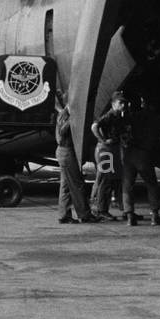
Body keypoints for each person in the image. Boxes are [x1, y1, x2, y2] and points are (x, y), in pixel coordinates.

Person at [94, 88, 160, 226]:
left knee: (127, 185)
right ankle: (155, 215)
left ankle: (129, 215)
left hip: (128, 155)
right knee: (151, 184)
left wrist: (105, 139)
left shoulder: (125, 118)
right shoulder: (149, 116)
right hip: (143, 155)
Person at [54, 92, 98, 224]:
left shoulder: (64, 114)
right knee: (77, 184)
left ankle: (64, 215)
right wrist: (73, 119)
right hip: (66, 152)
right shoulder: (65, 115)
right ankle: (84, 214)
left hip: (65, 151)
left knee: (66, 186)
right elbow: (62, 131)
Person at [89, 94, 124, 221]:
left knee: (111, 179)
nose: (123, 105)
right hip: (106, 151)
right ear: (113, 104)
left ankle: (104, 207)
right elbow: (94, 126)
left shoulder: (118, 116)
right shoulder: (109, 115)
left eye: (124, 103)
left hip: (111, 150)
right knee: (106, 180)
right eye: (120, 103)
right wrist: (103, 140)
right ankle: (101, 210)